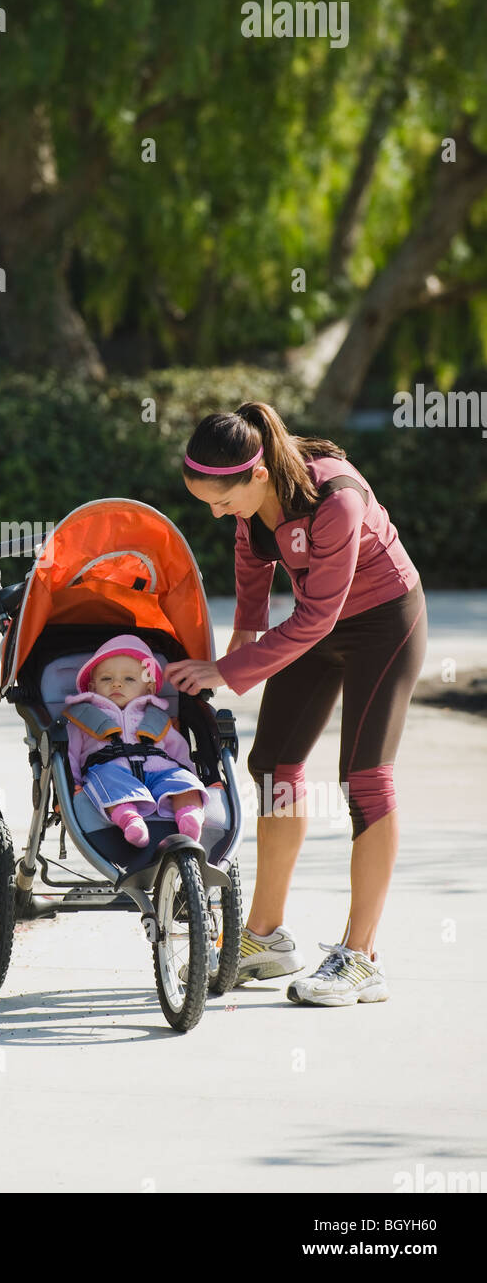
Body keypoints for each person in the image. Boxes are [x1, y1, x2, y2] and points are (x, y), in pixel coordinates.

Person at [164, 402, 427, 1007]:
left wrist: (228, 674)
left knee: (364, 779)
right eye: (206, 501)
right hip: (320, 626)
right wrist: (225, 665)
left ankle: (361, 958)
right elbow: (252, 593)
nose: (216, 512)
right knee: (272, 765)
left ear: (256, 475)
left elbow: (316, 619)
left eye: (221, 501)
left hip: (385, 625)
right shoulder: (252, 508)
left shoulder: (336, 499)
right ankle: (266, 937)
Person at [64, 633, 207, 848]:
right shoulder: (85, 717)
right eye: (106, 679)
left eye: (129, 679)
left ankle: (189, 817)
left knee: (184, 783)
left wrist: (191, 776)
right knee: (106, 782)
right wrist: (72, 785)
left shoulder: (156, 717)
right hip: (111, 769)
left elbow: (179, 752)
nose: (117, 685)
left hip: (159, 769)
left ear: (148, 689)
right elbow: (71, 754)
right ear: (92, 688)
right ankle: (131, 821)